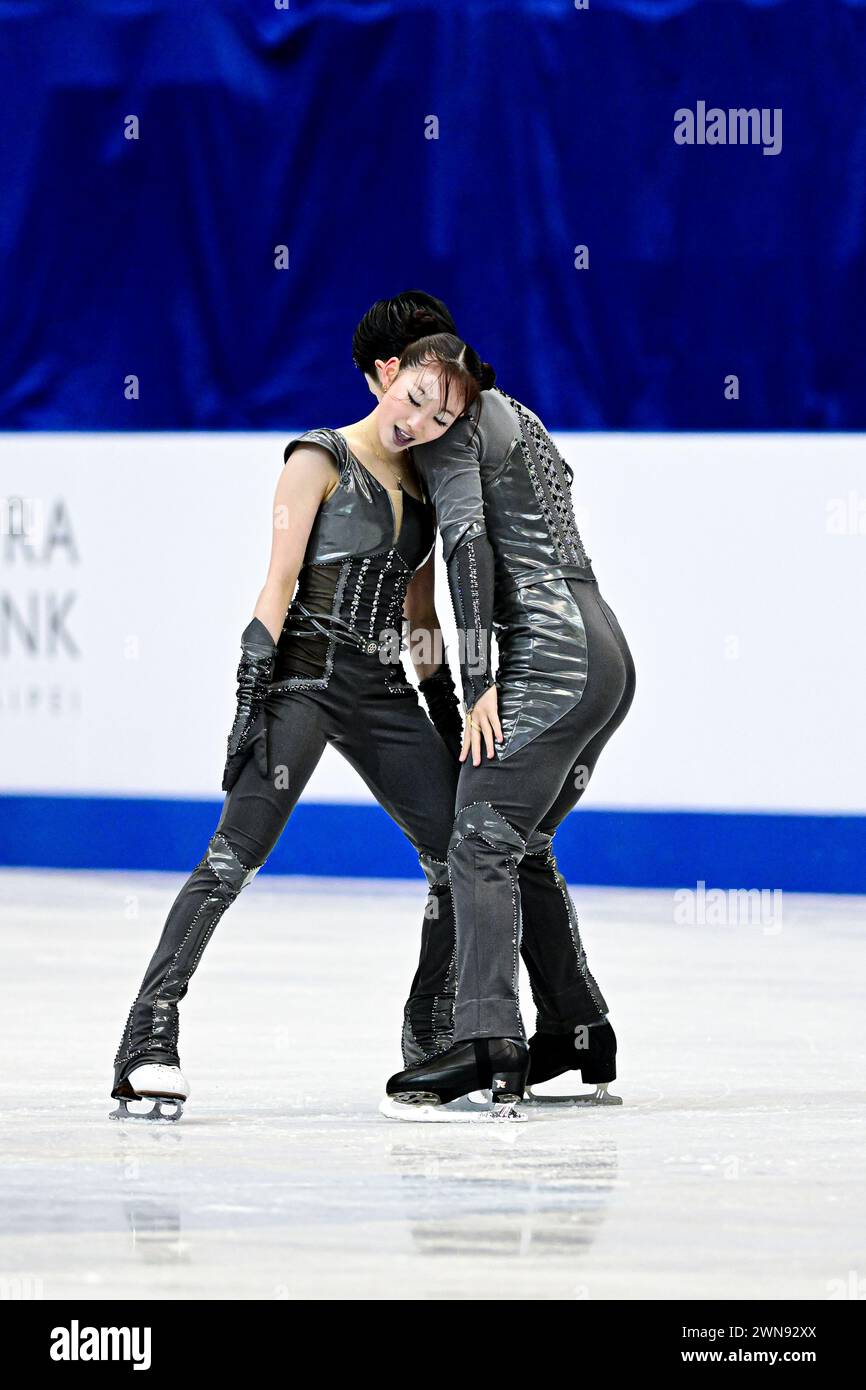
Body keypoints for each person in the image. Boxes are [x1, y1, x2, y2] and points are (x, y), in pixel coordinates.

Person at [109, 333, 487, 1120]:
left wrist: (445, 706)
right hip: (303, 680)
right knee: (233, 856)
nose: (420, 421)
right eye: (417, 397)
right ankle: (148, 1033)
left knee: (462, 850)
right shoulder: (317, 457)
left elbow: (420, 614)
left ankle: (429, 1032)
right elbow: (277, 584)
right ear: (391, 377)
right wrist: (251, 693)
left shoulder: (423, 488)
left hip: (384, 693)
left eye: (441, 417)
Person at [355, 293, 637, 1118]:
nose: (413, 406)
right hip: (605, 654)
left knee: (477, 837)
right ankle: (579, 1027)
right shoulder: (516, 414)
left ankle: (486, 1041)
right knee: (522, 842)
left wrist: (472, 684)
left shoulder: (450, 426)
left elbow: (466, 552)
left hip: (550, 657)